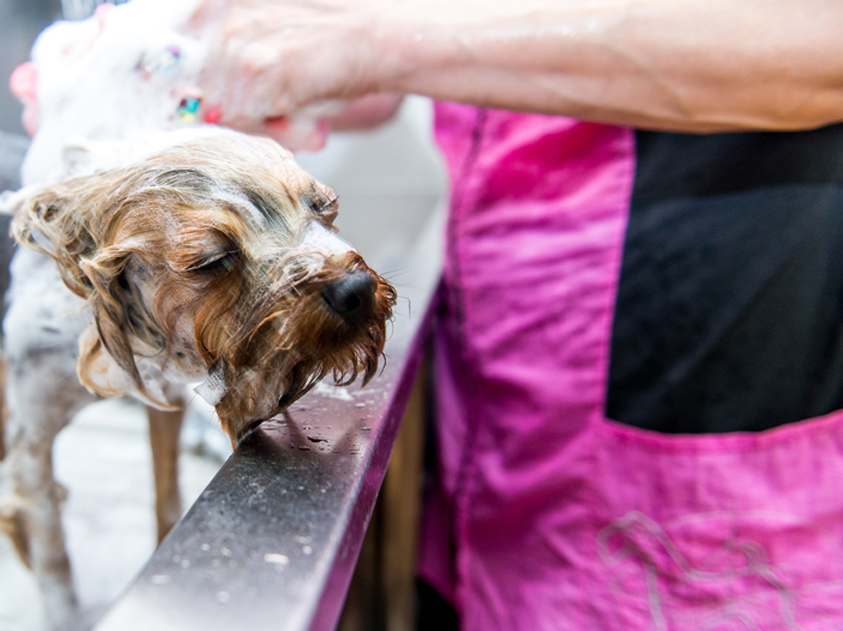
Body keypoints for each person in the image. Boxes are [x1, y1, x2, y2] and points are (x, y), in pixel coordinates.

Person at [187, 1, 843, 629]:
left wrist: (377, 41)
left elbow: (820, 38)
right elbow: (393, 74)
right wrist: (250, 54)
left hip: (710, 353)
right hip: (502, 374)